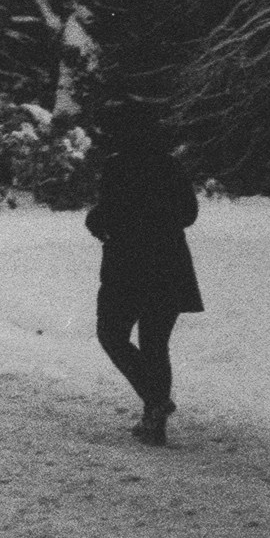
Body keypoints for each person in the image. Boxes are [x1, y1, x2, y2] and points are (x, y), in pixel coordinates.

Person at [85, 102, 202, 444]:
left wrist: (96, 221)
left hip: (127, 265)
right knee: (155, 343)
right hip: (169, 263)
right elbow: (188, 214)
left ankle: (156, 402)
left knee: (111, 334)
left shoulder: (117, 166)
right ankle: (155, 420)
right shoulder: (171, 166)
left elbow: (107, 214)